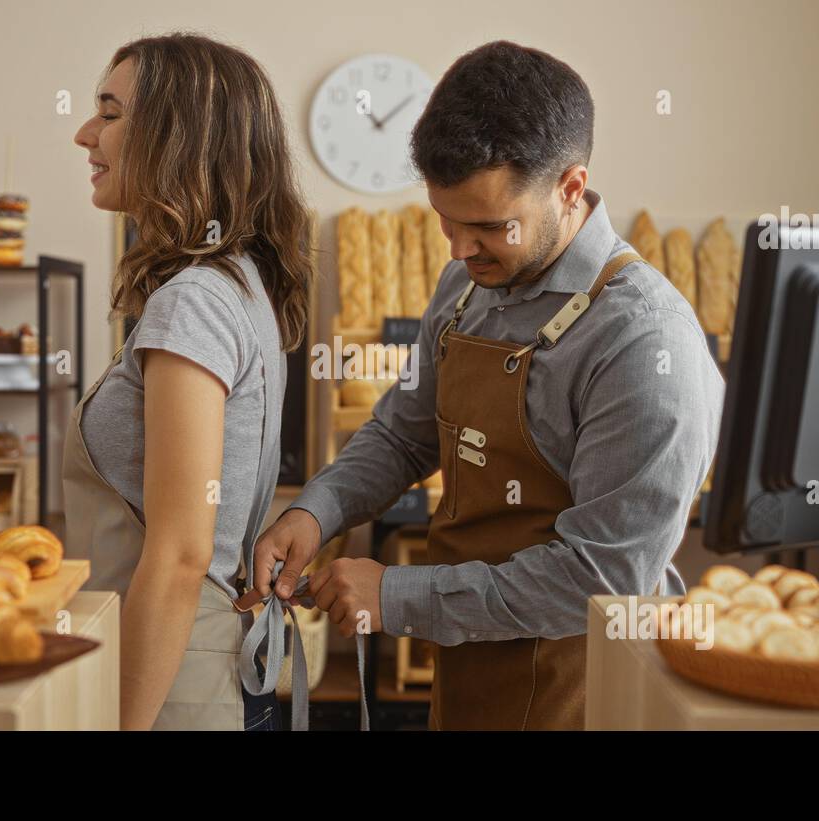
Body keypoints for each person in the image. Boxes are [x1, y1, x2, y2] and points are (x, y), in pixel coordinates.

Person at [253, 40, 724, 730]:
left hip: (584, 686)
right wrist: (316, 511)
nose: (458, 250)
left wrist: (399, 596)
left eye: (487, 226)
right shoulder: (466, 287)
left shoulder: (644, 340)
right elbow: (403, 431)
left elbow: (602, 581)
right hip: (471, 661)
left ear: (570, 187)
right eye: (446, 221)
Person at [66, 33, 312, 730]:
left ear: (180, 138)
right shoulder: (237, 284)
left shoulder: (195, 301)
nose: (86, 134)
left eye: (110, 114)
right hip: (189, 663)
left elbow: (179, 555)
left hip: (168, 685)